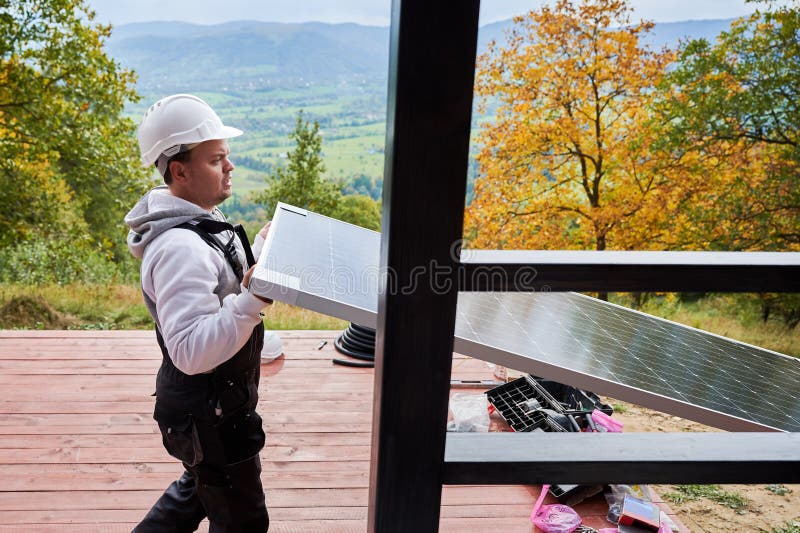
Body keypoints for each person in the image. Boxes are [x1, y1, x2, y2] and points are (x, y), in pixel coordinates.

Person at [125, 93, 273, 532]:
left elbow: (222, 284)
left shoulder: (198, 220)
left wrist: (265, 251)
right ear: (180, 171)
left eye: (226, 157)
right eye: (216, 160)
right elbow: (190, 350)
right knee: (243, 521)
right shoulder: (178, 248)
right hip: (209, 415)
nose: (229, 167)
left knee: (198, 492)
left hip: (214, 409)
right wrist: (252, 303)